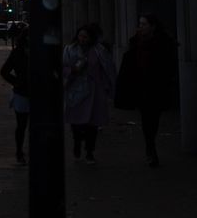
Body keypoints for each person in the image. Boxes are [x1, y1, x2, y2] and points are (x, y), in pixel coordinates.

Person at [118, 13, 179, 168]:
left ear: (153, 26)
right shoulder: (136, 42)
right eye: (140, 24)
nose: (141, 27)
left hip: (157, 86)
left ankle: (150, 144)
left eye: (144, 24)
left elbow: (169, 64)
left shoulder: (163, 43)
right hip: (141, 86)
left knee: (154, 117)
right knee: (146, 118)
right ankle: (150, 146)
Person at [62, 24, 116, 163]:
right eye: (80, 36)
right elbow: (63, 67)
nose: (82, 39)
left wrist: (107, 87)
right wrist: (73, 70)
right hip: (76, 91)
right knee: (76, 122)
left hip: (95, 91)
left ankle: (90, 151)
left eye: (85, 37)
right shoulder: (70, 49)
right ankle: (77, 142)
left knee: (93, 123)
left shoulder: (99, 51)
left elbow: (107, 69)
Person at [0, 24, 30, 165]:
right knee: (22, 125)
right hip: (22, 93)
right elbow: (4, 71)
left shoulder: (41, 51)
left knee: (30, 125)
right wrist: (17, 82)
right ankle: (19, 152)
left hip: (32, 92)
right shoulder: (18, 52)